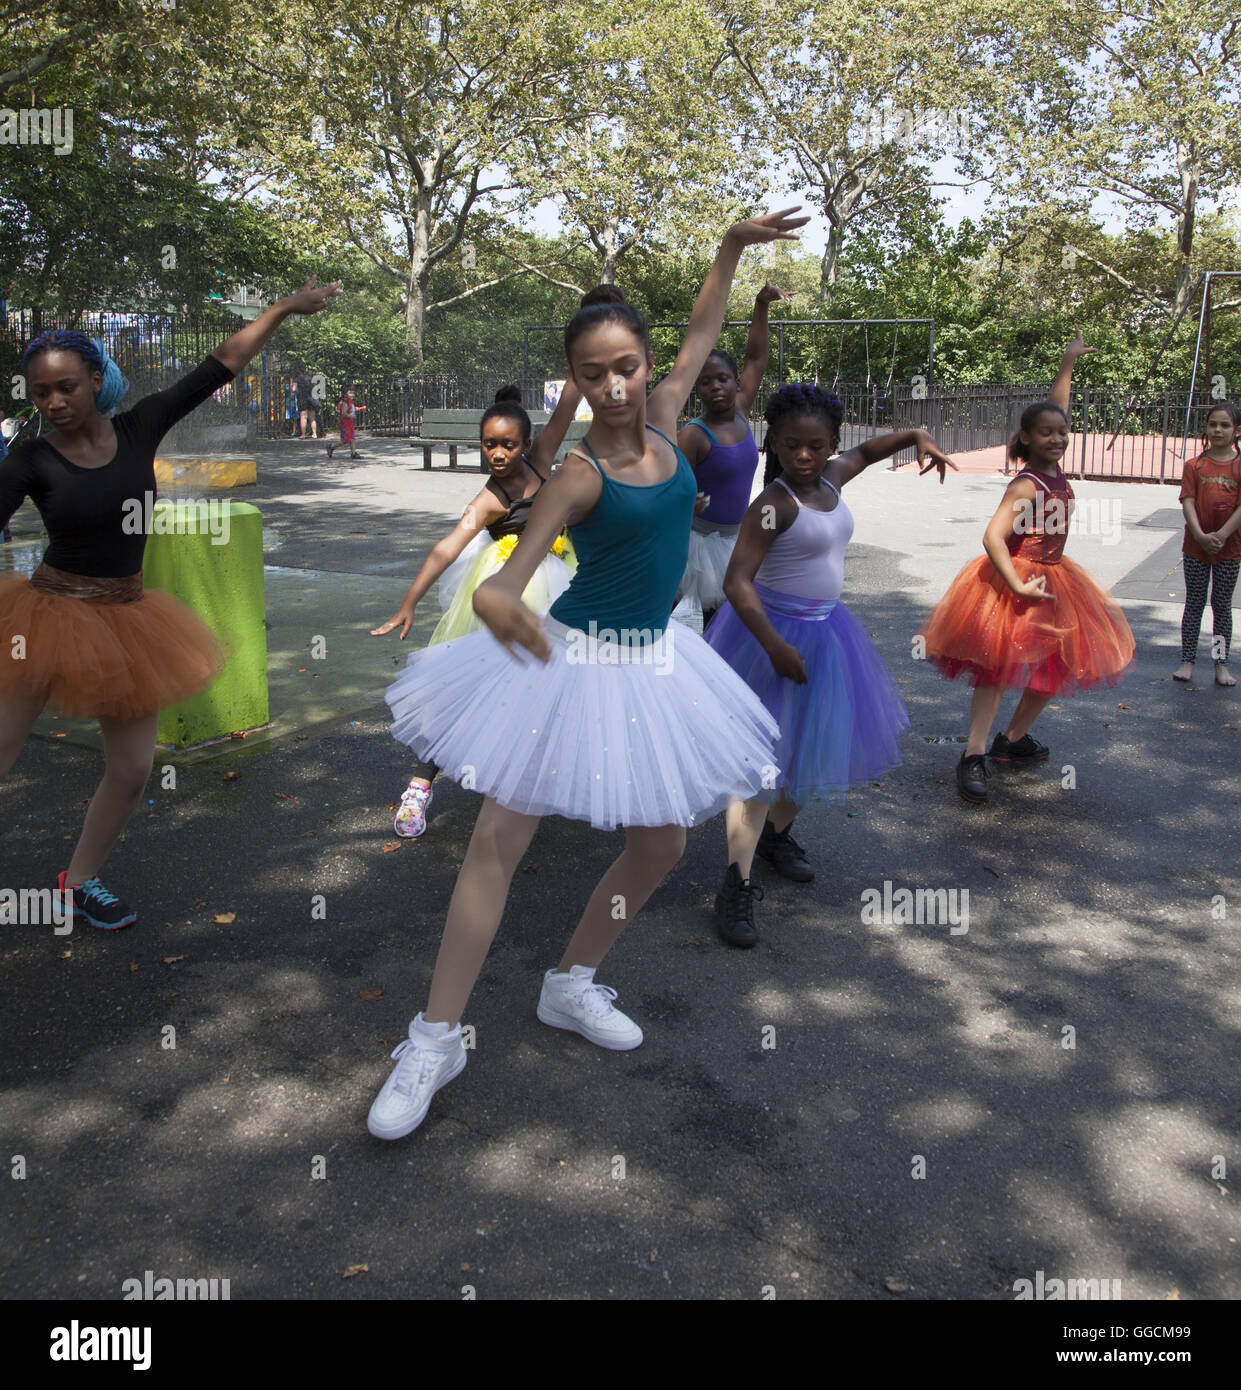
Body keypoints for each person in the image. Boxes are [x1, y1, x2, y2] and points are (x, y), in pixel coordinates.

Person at [368, 208, 806, 1141]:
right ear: (571, 378)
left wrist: (727, 247)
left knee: (658, 848)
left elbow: (703, 326)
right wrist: (495, 607)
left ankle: (568, 983)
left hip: (655, 662)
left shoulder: (666, 418)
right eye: (590, 372)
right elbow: (513, 579)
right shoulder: (573, 473)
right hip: (568, 662)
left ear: (647, 368)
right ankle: (434, 1038)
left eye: (626, 367)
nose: (612, 386)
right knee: (496, 843)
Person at [0, 279, 342, 929]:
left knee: (130, 772)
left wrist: (281, 309)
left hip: (127, 618)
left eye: (66, 386)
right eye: (40, 391)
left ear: (96, 379)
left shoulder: (140, 428)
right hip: (44, 616)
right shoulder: (29, 458)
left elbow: (219, 366)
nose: (53, 401)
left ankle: (79, 881)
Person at [706, 383, 955, 946]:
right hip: (769, 637)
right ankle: (736, 884)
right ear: (775, 441)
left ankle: (774, 837)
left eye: (815, 446)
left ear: (830, 445)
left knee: (818, 747)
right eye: (791, 445)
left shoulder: (830, 480)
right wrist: (772, 645)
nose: (802, 456)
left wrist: (916, 436)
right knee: (760, 766)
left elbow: (867, 454)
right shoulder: (774, 505)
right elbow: (736, 582)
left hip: (827, 634)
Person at [918, 330, 1135, 804]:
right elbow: (992, 536)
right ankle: (972, 756)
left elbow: (1054, 408)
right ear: (1027, 439)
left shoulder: (1054, 463)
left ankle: (1011, 741)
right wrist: (1015, 581)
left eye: (1062, 432)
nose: (1057, 438)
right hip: (1014, 577)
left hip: (1055, 577)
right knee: (996, 669)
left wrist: (1068, 363)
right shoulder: (1027, 483)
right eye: (1047, 434)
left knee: (1053, 667)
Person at [371, 379, 583, 838]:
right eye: (490, 445)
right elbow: (446, 549)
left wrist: (586, 356)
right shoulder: (490, 498)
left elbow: (567, 407)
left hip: (554, 588)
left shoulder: (542, 463)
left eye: (508, 444)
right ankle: (419, 787)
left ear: (526, 444)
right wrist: (409, 602)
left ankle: (528, 782)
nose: (499, 454)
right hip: (501, 594)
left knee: (549, 689)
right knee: (462, 688)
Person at [676, 283, 792, 631]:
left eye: (723, 378)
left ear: (735, 384)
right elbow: (672, 488)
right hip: (695, 542)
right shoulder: (694, 434)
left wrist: (761, 306)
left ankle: (713, 680)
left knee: (723, 624)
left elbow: (756, 358)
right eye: (706, 381)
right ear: (697, 388)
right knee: (659, 612)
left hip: (734, 538)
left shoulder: (741, 410)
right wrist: (686, 502)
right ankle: (634, 663)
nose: (715, 386)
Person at [1173, 402, 1241, 687]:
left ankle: (1220, 664)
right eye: (1213, 424)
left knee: (1222, 605)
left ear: (1237, 431)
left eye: (1225, 425)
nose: (1218, 430)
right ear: (1206, 427)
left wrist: (1223, 534)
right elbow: (1187, 501)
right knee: (1194, 603)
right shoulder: (1194, 465)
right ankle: (1187, 660)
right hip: (1196, 547)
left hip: (1230, 548)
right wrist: (1200, 535)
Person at [327, 387, 365, 459]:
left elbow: (350, 409)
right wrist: (351, 416)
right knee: (345, 440)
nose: (352, 394)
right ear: (345, 394)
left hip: (349, 423)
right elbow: (343, 413)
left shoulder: (350, 402)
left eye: (352, 393)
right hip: (345, 424)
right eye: (350, 393)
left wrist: (357, 409)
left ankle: (353, 453)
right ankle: (331, 446)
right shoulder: (346, 402)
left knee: (352, 438)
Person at [295, 367, 318, 439]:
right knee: (312, 417)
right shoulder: (311, 377)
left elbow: (293, 389)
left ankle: (303, 434)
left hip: (302, 398)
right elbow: (315, 387)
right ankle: (314, 433)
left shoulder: (298, 378)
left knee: (303, 417)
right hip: (311, 398)